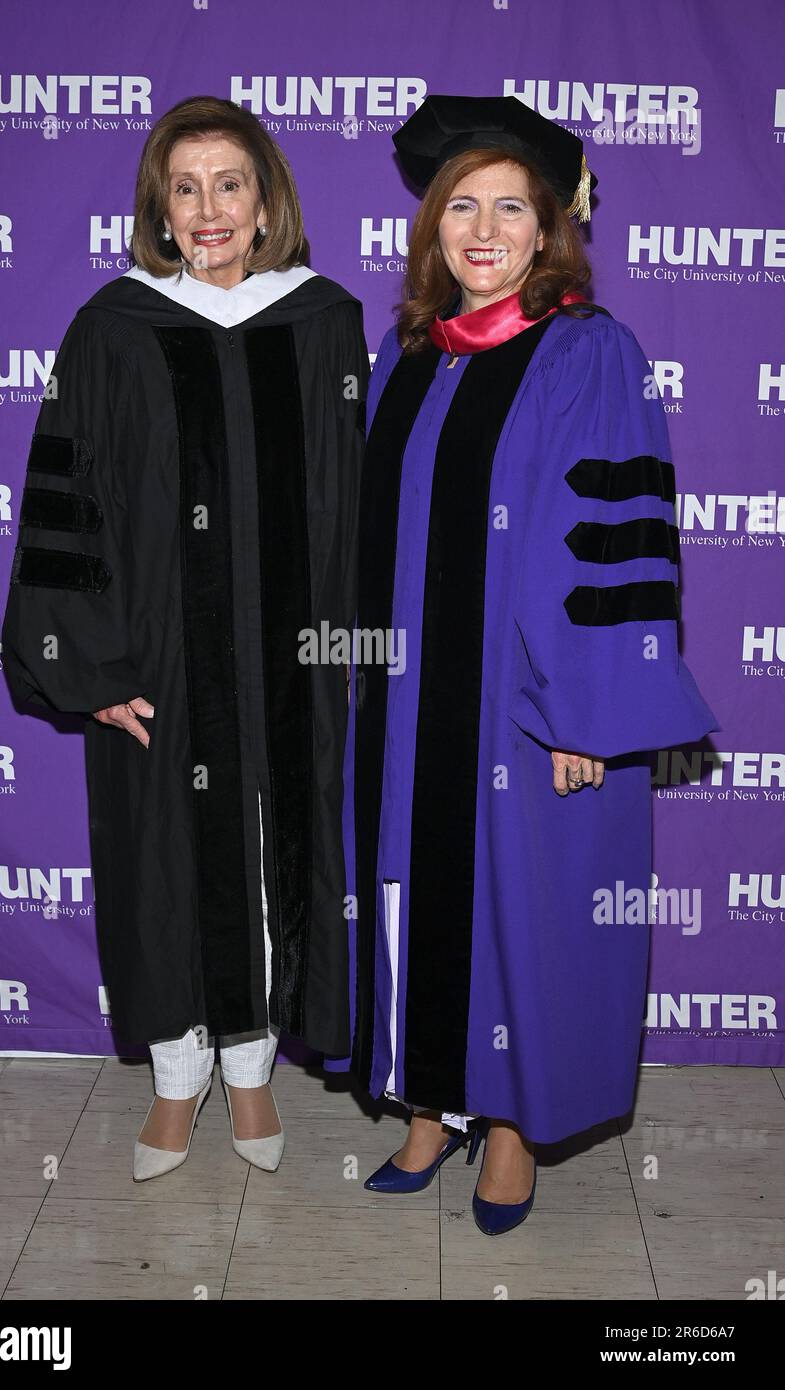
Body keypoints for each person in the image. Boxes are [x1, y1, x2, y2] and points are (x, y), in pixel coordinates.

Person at [327, 95, 719, 1235]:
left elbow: (618, 550)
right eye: (461, 206)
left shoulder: (590, 354)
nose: (483, 228)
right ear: (431, 227)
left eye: (511, 207)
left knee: (524, 910)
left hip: (531, 712)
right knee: (411, 893)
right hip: (408, 708)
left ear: (552, 229)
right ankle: (428, 1103)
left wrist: (592, 720)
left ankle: (509, 1126)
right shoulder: (405, 357)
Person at [1, 96, 370, 1182]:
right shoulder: (113, 327)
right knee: (164, 867)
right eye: (186, 186)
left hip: (288, 667)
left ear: (268, 205)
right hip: (158, 658)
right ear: (160, 208)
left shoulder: (324, 322)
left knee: (272, 863)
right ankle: (177, 1075)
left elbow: (360, 507)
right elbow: (65, 509)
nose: (210, 209)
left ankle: (250, 1066)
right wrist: (93, 665)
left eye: (232, 184)